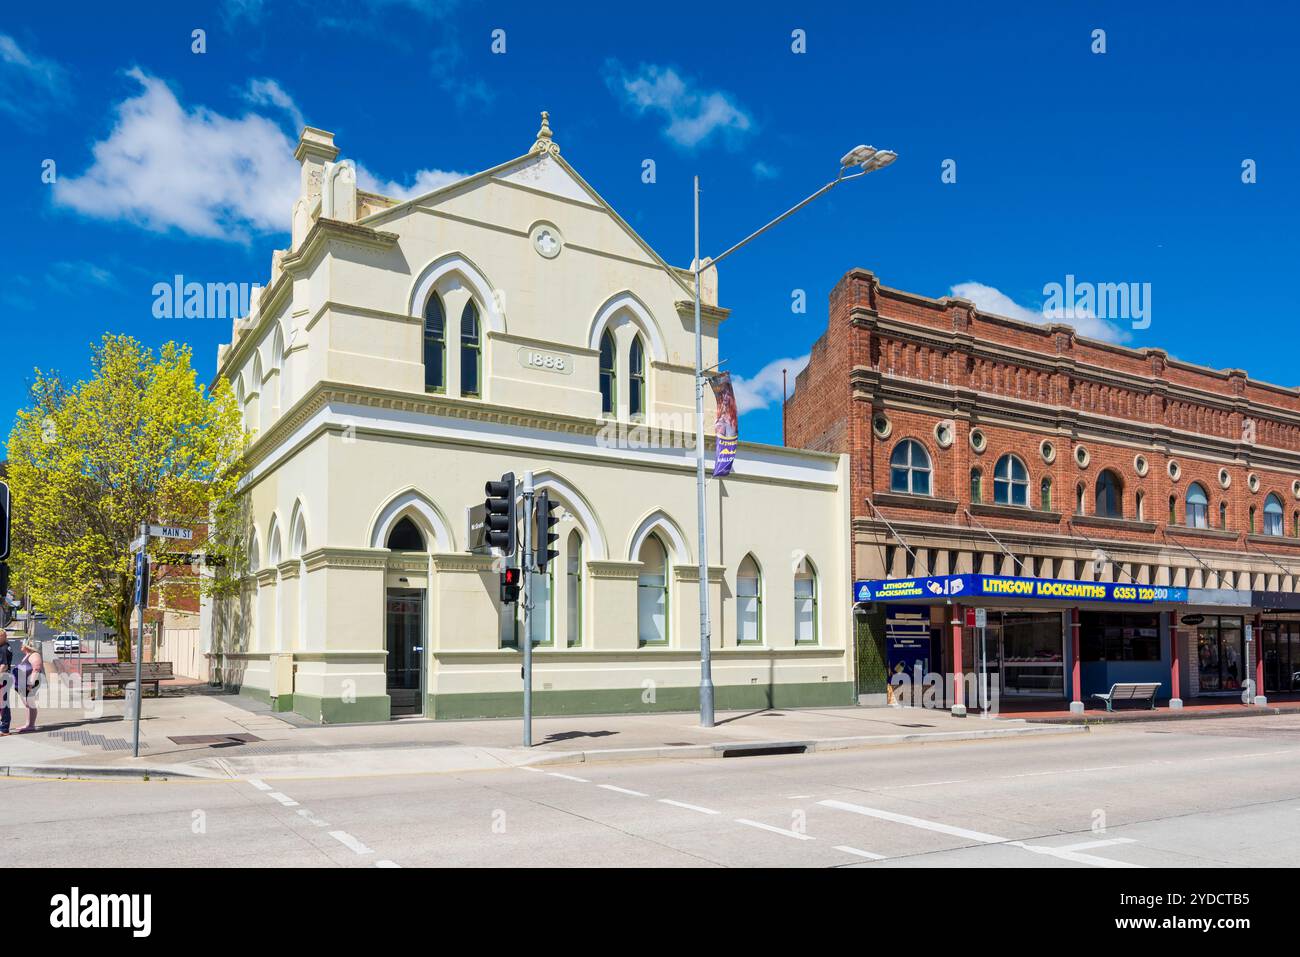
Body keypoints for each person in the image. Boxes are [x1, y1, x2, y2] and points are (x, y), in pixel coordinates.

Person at [15, 639, 43, 733]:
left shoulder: (34, 655)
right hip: (24, 683)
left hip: (31, 683)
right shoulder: (28, 655)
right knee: (27, 704)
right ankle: (28, 724)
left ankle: (31, 725)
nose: (21, 646)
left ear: (27, 646)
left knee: (30, 704)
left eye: (22, 644)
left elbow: (36, 669)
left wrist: (30, 684)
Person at [0, 629, 11, 736]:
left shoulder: (3, 649)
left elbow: (4, 665)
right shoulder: (6, 646)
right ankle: (3, 726)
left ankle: (4, 728)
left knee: (3, 703)